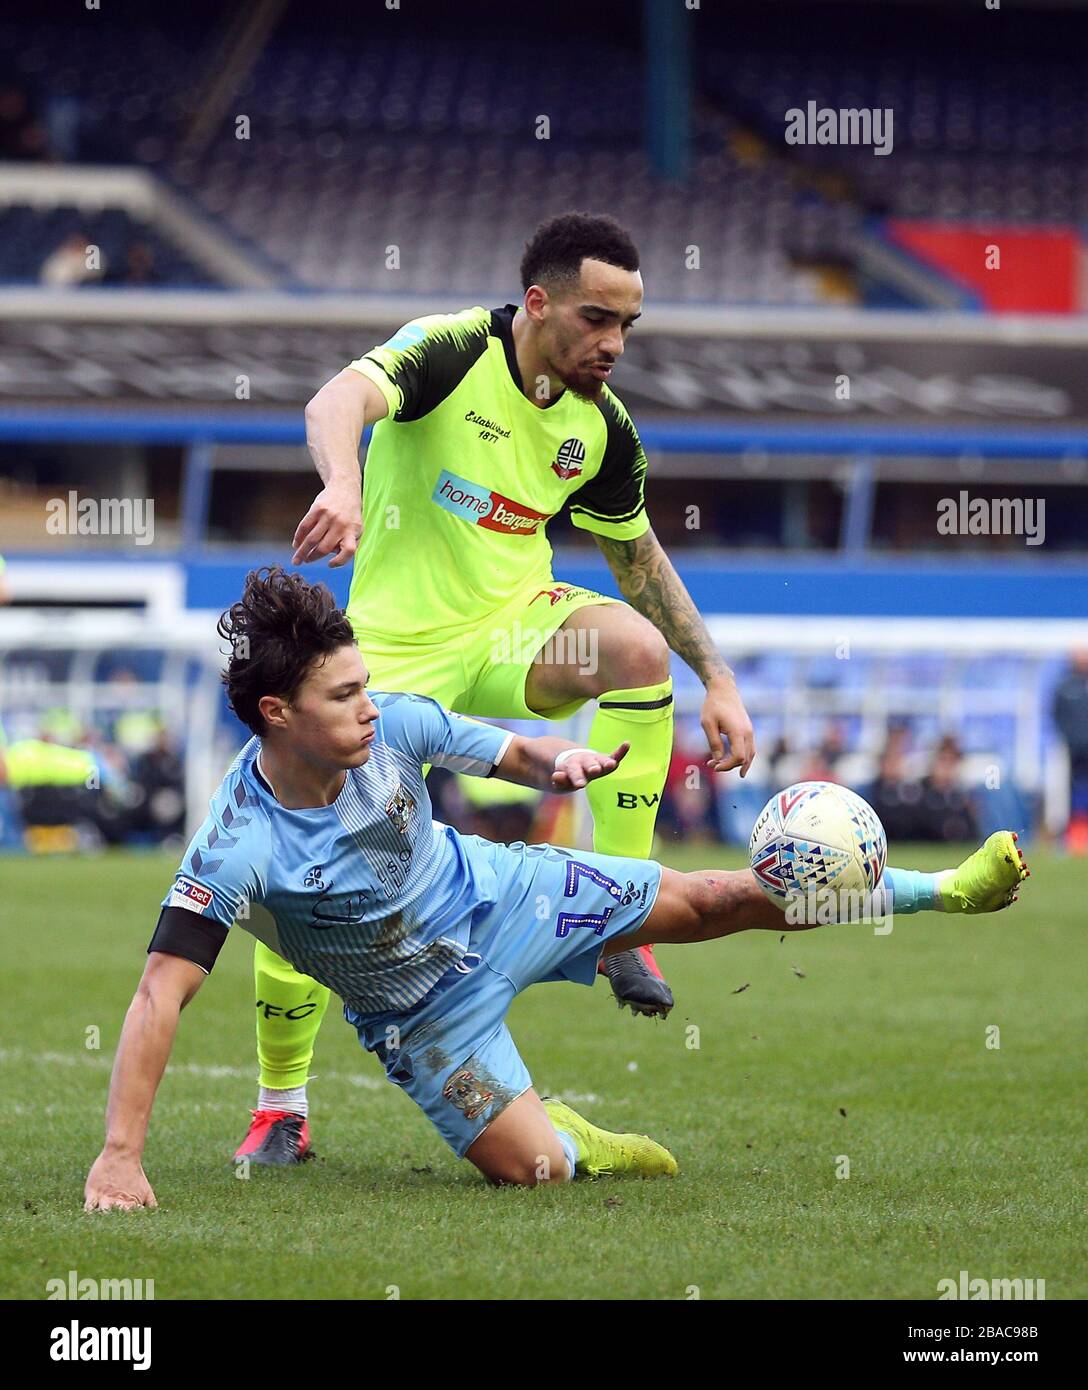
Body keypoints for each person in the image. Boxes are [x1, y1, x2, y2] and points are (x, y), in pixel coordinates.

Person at [84, 570, 1029, 1205]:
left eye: (367, 684)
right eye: (344, 697)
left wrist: (561, 763)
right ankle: (575, 1134)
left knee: (713, 899)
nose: (369, 705)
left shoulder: (395, 722)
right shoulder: (233, 845)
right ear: (276, 713)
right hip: (422, 1020)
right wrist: (121, 1158)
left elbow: (506, 749)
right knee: (534, 1172)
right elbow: (161, 993)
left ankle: (945, 889)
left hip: (511, 896)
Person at [235, 211, 758, 1163]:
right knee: (310, 861)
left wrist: (715, 676)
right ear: (538, 302)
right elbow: (330, 404)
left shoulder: (600, 427)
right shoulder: (449, 351)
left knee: (637, 650)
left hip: (516, 625)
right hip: (395, 645)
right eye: (598, 318)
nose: (614, 343)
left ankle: (620, 919)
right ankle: (282, 1106)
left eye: (629, 325)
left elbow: (635, 558)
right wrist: (343, 485)